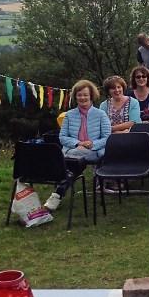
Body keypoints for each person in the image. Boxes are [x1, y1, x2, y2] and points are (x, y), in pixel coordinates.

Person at [46, 80, 111, 211]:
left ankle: (58, 193)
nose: (82, 98)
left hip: (94, 151)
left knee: (74, 161)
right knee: (76, 162)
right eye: (79, 95)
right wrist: (78, 143)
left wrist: (91, 144)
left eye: (85, 95)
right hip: (74, 149)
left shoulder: (101, 114)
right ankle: (59, 192)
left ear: (91, 96)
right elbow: (62, 137)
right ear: (75, 97)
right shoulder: (69, 115)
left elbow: (107, 137)